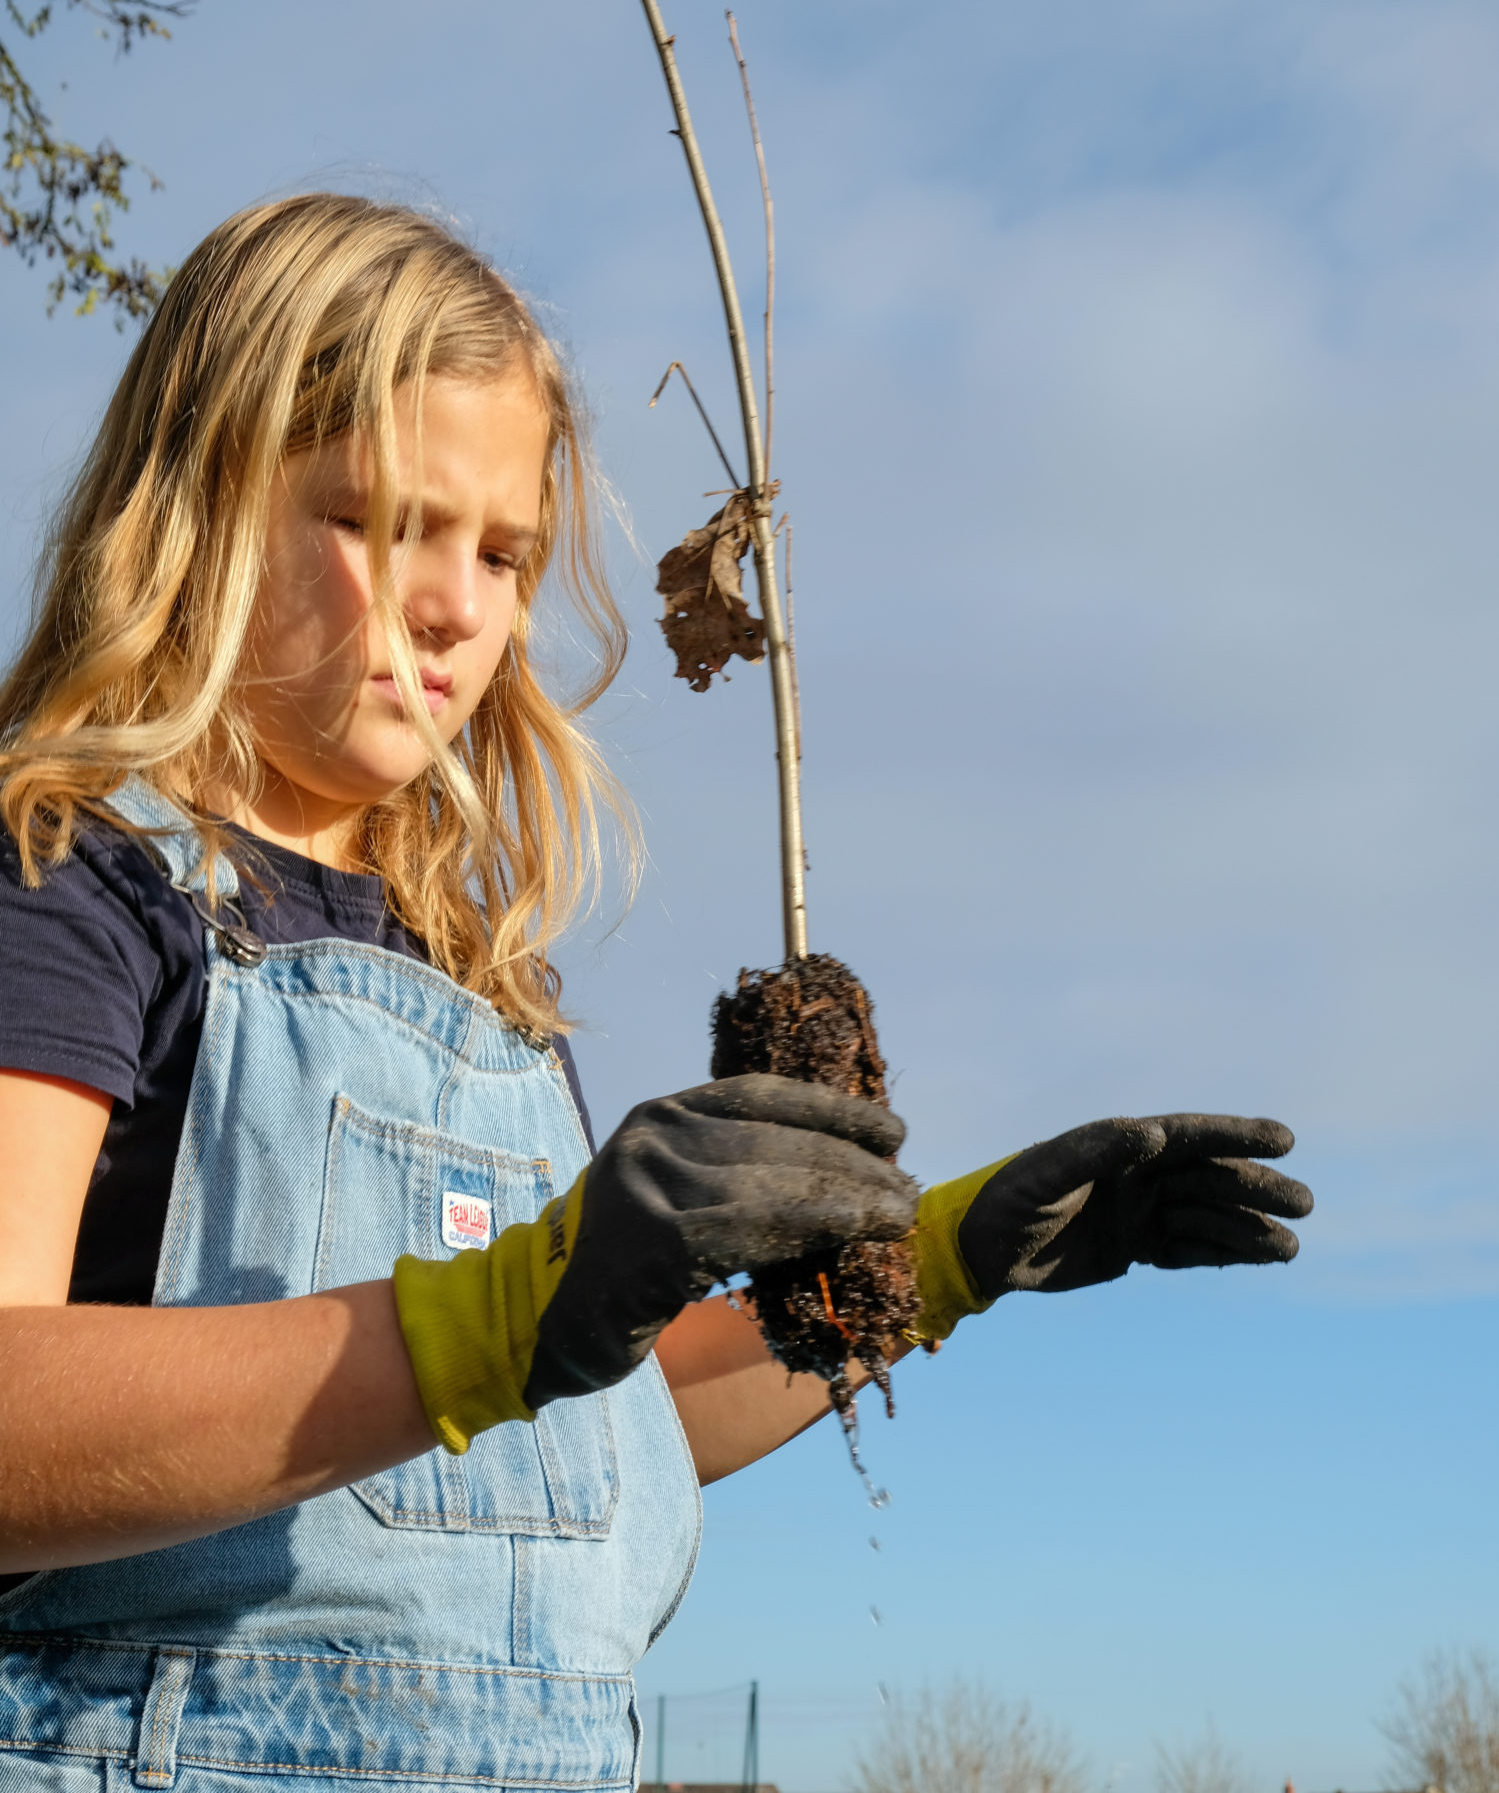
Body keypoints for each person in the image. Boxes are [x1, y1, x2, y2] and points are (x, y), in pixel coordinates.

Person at [0, 195, 1313, 1791]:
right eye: (378, 522)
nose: (455, 605)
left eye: (503, 553)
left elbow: (582, 1444)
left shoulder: (481, 981)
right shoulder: (69, 880)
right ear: (200, 498)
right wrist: (505, 1313)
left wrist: (935, 1263)